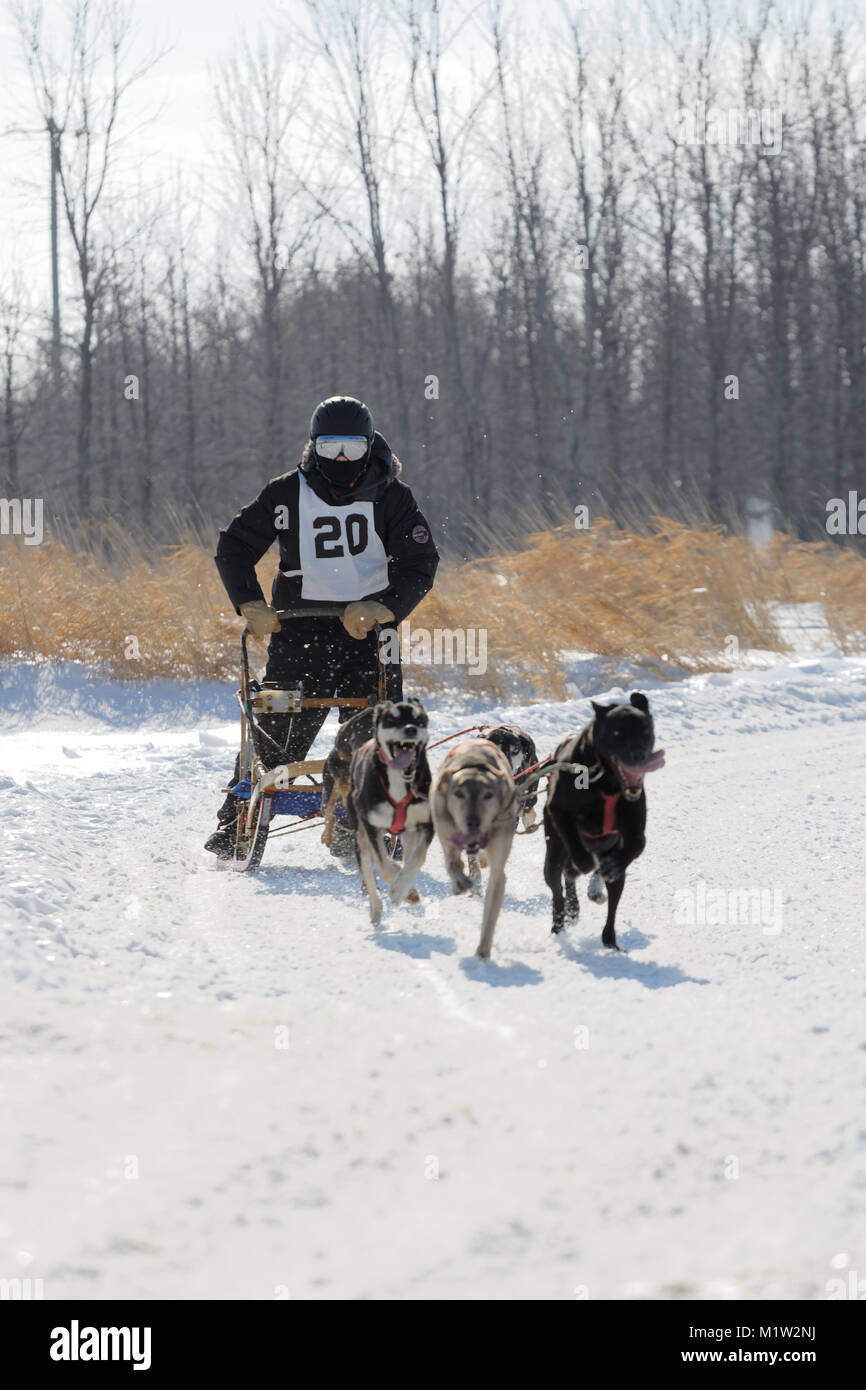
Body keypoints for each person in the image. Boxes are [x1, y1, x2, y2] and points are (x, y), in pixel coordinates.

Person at [204, 395, 439, 858]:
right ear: (314, 446)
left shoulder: (392, 495)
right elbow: (233, 546)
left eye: (352, 447)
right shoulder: (286, 493)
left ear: (369, 446)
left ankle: (372, 827)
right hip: (299, 631)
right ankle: (237, 825)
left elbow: (421, 562)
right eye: (331, 447)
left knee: (378, 736)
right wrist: (250, 604)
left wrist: (387, 607)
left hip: (370, 636)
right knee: (275, 732)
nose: (341, 459)